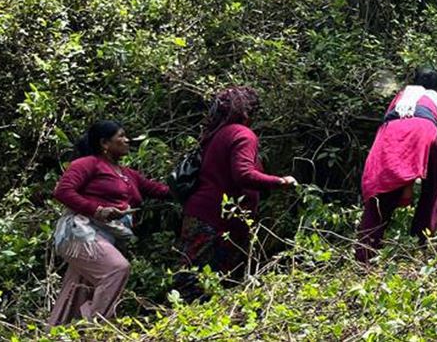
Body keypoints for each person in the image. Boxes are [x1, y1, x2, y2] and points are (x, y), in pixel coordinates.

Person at [48, 120, 171, 327]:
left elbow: (159, 190)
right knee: (116, 269)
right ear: (105, 143)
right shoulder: (87, 164)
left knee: (76, 291)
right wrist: (98, 210)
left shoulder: (127, 174)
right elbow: (63, 191)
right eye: (121, 136)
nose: (127, 140)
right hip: (80, 234)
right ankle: (96, 329)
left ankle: (55, 333)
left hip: (104, 237)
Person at [177, 86, 296, 297]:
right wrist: (280, 181)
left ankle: (182, 320)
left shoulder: (216, 134)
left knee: (193, 274)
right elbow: (243, 174)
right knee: (204, 282)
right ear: (246, 111)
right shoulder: (243, 134)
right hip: (217, 219)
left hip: (202, 214)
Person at [356, 67, 437, 262]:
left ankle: (365, 253)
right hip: (425, 134)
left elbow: (393, 121)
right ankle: (423, 244)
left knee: (380, 195)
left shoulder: (401, 96)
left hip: (390, 136)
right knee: (432, 191)